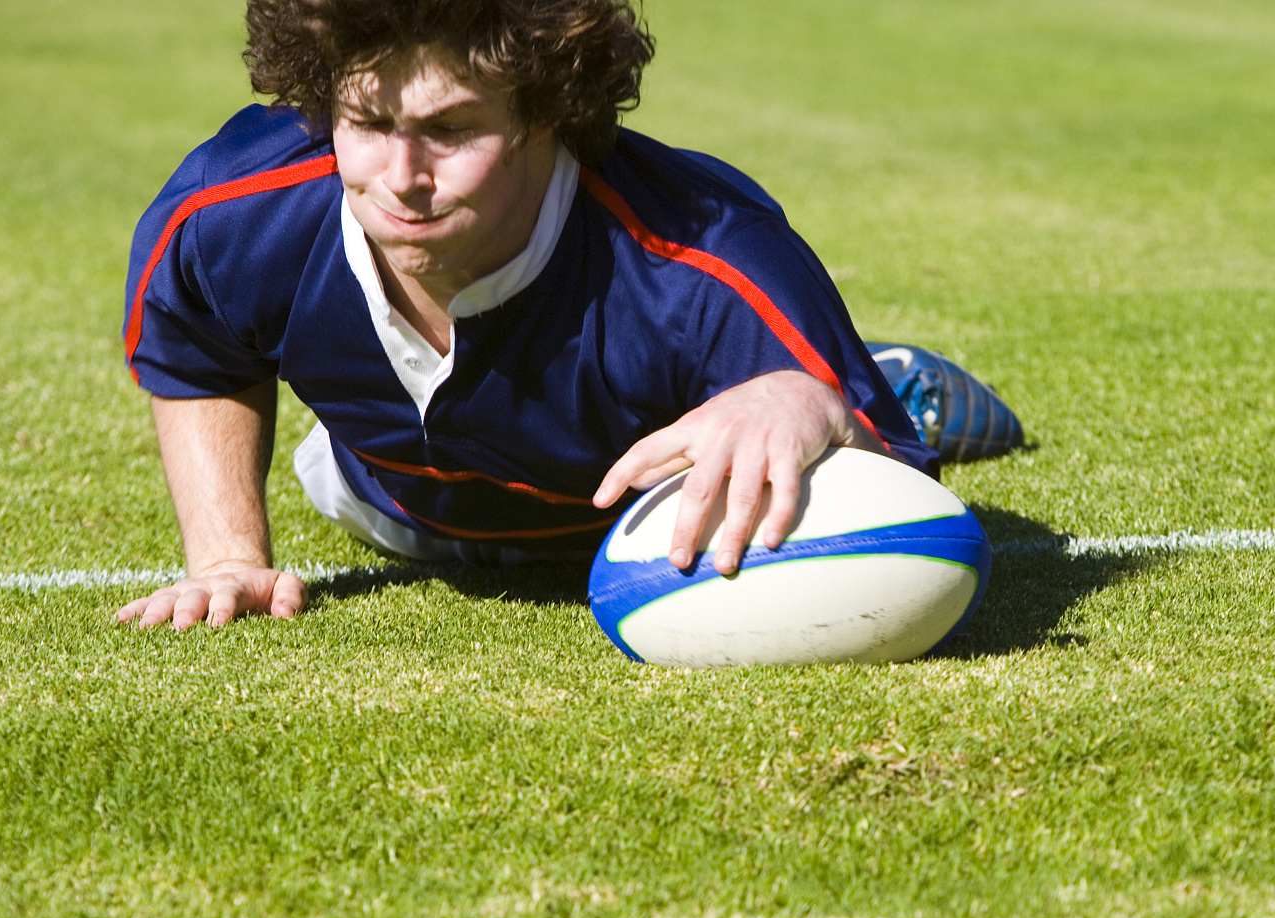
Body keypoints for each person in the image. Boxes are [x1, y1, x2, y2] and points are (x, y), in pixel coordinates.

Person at [117, 0, 1020, 630]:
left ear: (547, 110)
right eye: (367, 120)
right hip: (389, 504)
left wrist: (811, 406)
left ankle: (875, 373)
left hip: (641, 522)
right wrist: (229, 556)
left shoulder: (705, 257)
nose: (401, 177)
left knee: (806, 401)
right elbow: (196, 343)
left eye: (453, 129)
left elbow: (906, 499)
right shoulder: (234, 212)